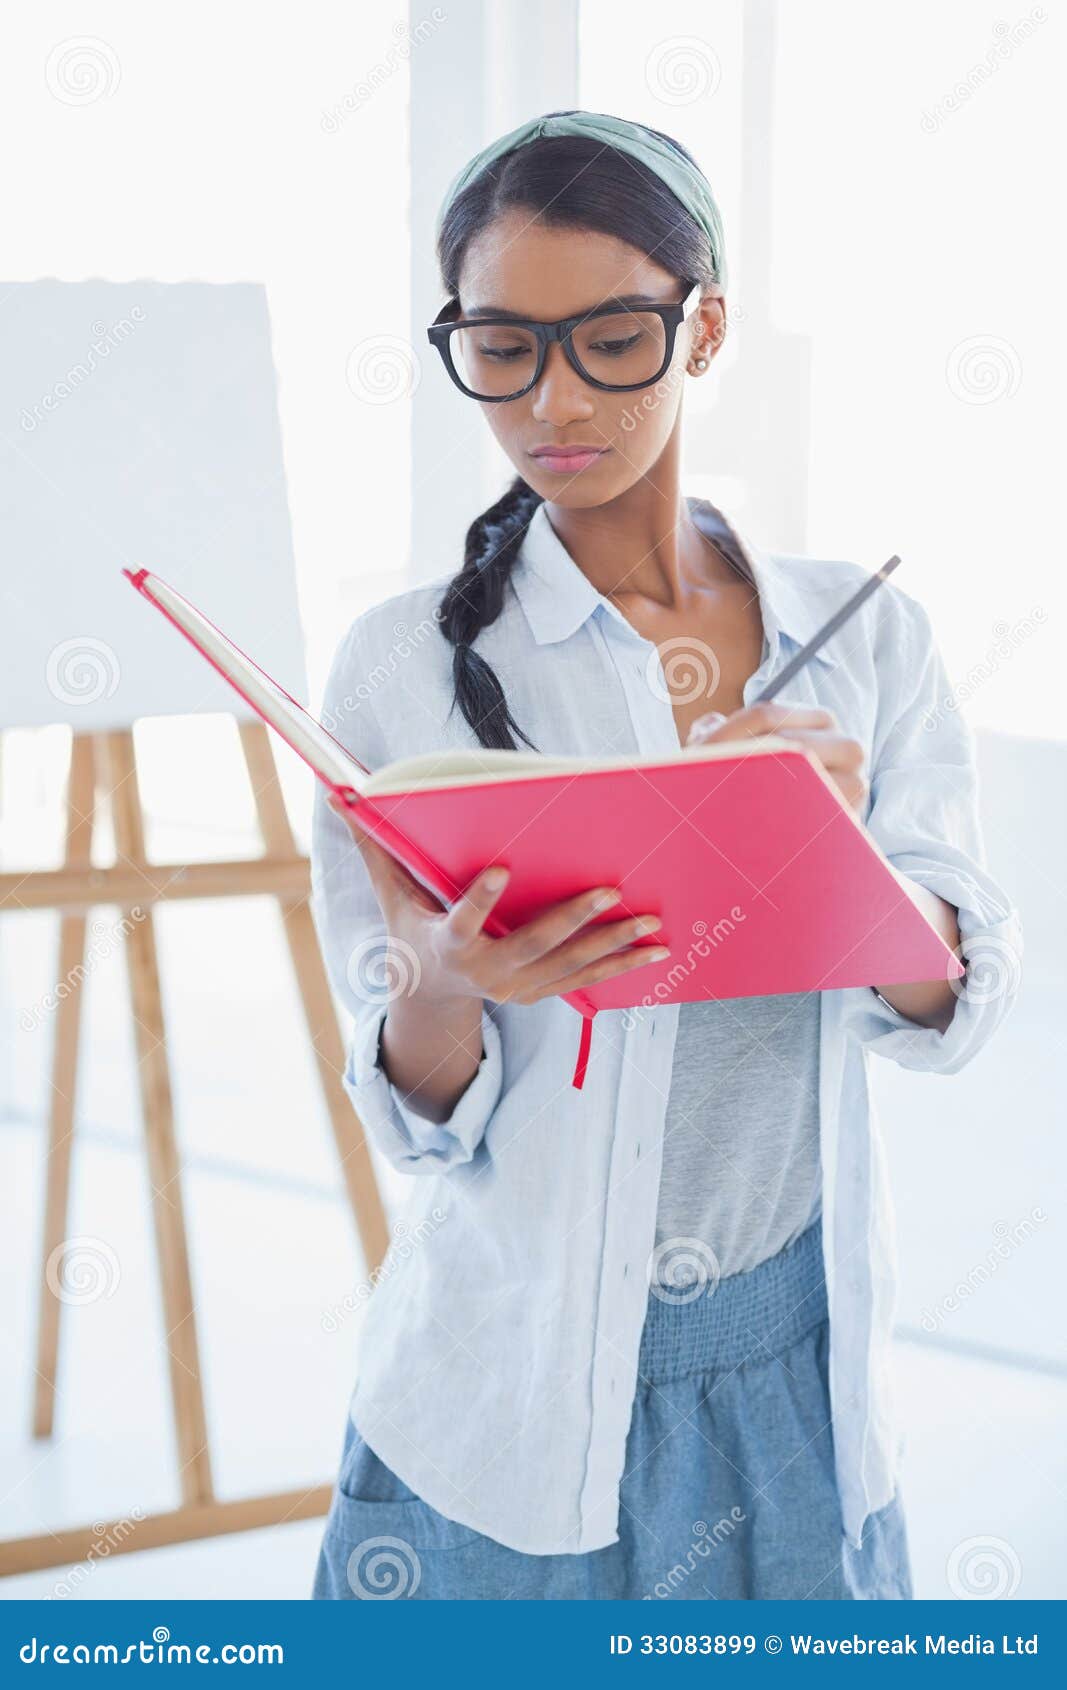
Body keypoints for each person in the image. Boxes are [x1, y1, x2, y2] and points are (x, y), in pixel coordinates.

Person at [308, 110, 1021, 1601]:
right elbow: (419, 1123)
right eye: (502, 347)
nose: (554, 399)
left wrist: (835, 857)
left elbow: (957, 1008)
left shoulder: (866, 637)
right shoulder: (397, 663)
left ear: (705, 327)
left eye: (614, 339)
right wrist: (440, 978)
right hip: (497, 1401)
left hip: (796, 1379)